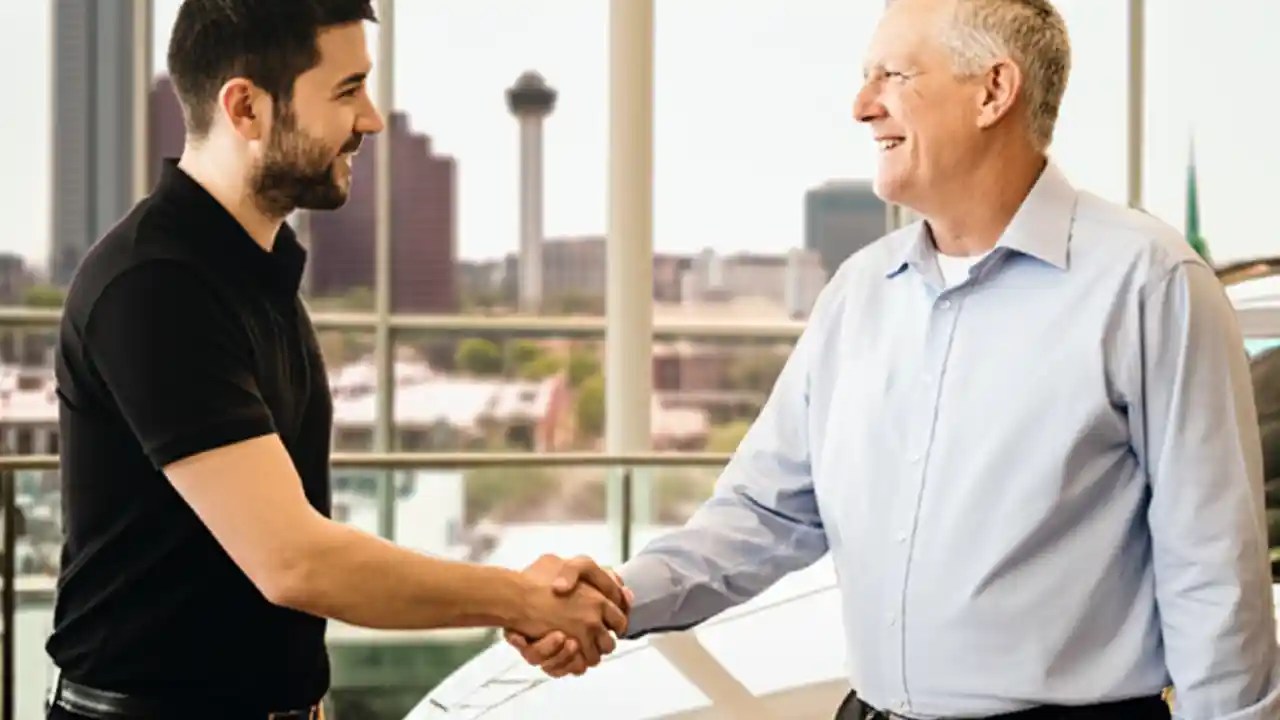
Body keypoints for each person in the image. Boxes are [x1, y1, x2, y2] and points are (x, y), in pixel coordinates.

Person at [508, 0, 1280, 718]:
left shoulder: (1148, 284)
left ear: (993, 91)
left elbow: (1212, 572)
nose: (862, 104)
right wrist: (618, 595)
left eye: (893, 76)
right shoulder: (861, 293)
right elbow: (766, 512)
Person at [46, 2, 627, 718]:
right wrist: (522, 598)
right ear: (247, 107)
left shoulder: (253, 273)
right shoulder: (155, 286)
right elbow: (294, 561)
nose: (372, 119)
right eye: (347, 90)